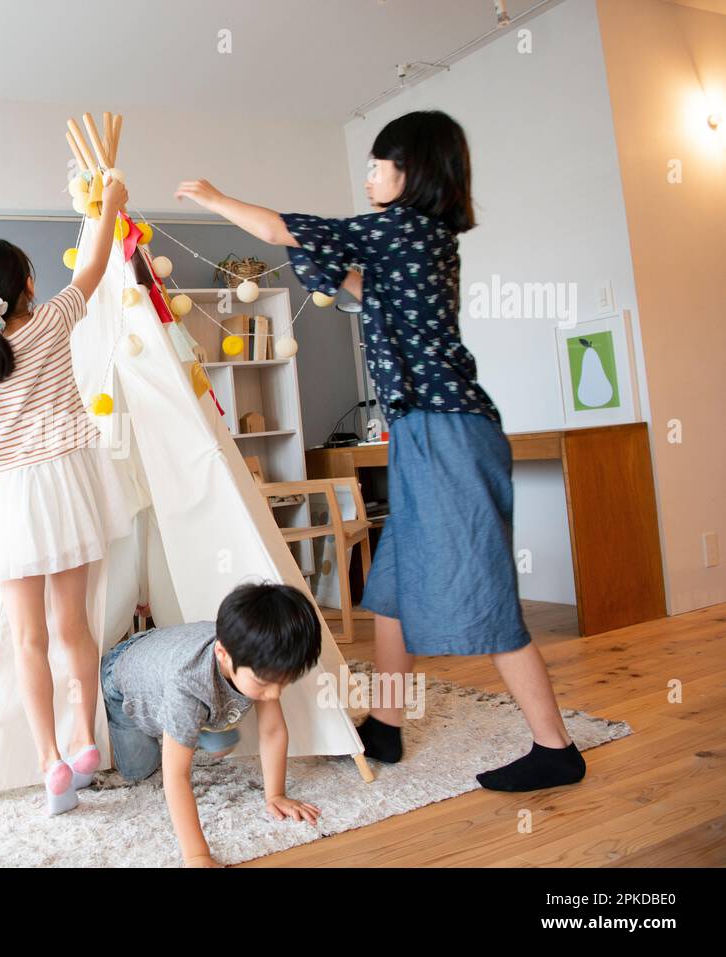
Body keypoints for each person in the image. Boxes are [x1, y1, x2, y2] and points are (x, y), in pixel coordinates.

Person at [175, 110, 585, 792]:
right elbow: (368, 292)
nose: (367, 177)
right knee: (389, 593)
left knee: (483, 593)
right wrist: (333, 278)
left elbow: (287, 229)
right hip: (426, 431)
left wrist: (213, 197)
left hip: (447, 431)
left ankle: (555, 745)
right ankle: (387, 725)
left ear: (411, 171)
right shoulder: (424, 243)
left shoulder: (406, 228)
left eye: (375, 166)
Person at [0, 176, 134, 815]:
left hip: (16, 494)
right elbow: (95, 265)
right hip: (68, 482)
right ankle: (85, 735)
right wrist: (109, 207)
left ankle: (49, 758)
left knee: (28, 640)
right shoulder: (53, 319)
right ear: (26, 283)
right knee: (72, 626)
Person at [98, 582, 323, 867]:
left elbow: (273, 730)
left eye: (284, 682)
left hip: (165, 658)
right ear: (223, 655)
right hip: (122, 679)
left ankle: (196, 729)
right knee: (141, 767)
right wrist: (197, 856)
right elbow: (176, 776)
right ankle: (181, 727)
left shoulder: (255, 656)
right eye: (266, 684)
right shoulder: (188, 686)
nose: (275, 694)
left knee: (195, 720)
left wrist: (275, 794)